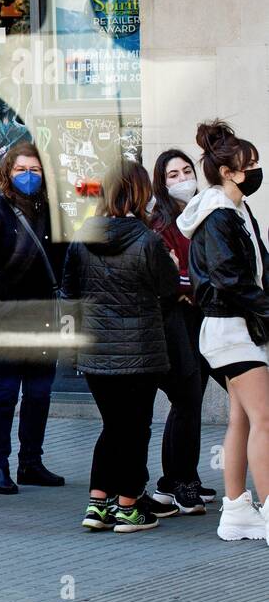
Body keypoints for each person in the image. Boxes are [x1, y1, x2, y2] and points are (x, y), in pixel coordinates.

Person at [62, 160, 179, 533]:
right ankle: (128, 506)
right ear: (140, 193)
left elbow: (69, 293)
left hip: (95, 354)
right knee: (135, 429)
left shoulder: (81, 238)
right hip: (140, 351)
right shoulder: (148, 241)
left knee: (113, 427)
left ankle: (98, 504)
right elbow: (169, 289)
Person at [180, 120, 269, 541]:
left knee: (243, 420)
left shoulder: (235, 210)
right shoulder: (219, 215)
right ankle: (266, 509)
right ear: (229, 172)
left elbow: (253, 269)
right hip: (231, 329)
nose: (256, 170)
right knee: (264, 419)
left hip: (234, 327)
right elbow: (230, 277)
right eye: (249, 164)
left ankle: (236, 510)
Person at [0, 142, 65, 495]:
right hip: (4, 320)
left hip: (43, 319)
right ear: (7, 173)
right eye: (21, 170)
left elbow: (65, 260)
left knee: (39, 392)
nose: (28, 176)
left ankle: (31, 462)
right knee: (4, 392)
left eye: (35, 170)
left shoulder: (52, 212)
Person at [150, 149, 215, 512]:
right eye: (173, 175)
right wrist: (188, 289)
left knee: (190, 401)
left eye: (186, 171)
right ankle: (178, 483)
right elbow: (170, 275)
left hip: (201, 316)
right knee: (186, 400)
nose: (182, 179)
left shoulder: (201, 213)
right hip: (177, 321)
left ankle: (177, 478)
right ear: (162, 182)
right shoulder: (162, 222)